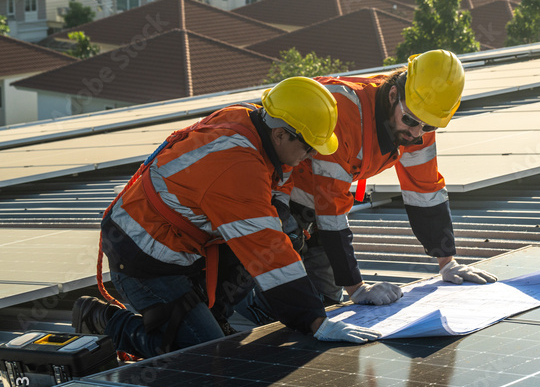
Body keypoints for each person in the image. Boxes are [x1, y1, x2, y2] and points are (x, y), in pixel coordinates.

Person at [72, 76, 380, 358]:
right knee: (204, 356)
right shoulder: (237, 170)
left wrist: (285, 217)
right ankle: (110, 322)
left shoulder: (253, 120)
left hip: (188, 245)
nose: (312, 156)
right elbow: (266, 250)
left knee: (276, 243)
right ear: (281, 134)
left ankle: (209, 320)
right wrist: (316, 322)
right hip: (144, 254)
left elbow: (277, 185)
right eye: (309, 147)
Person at [273, 49, 496, 309]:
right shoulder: (343, 112)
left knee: (323, 301)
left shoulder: (418, 119)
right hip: (279, 201)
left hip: (317, 212)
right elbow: (330, 204)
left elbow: (425, 190)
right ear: (393, 96)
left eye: (428, 126)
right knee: (281, 294)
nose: (416, 133)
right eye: (411, 121)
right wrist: (357, 289)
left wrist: (447, 263)